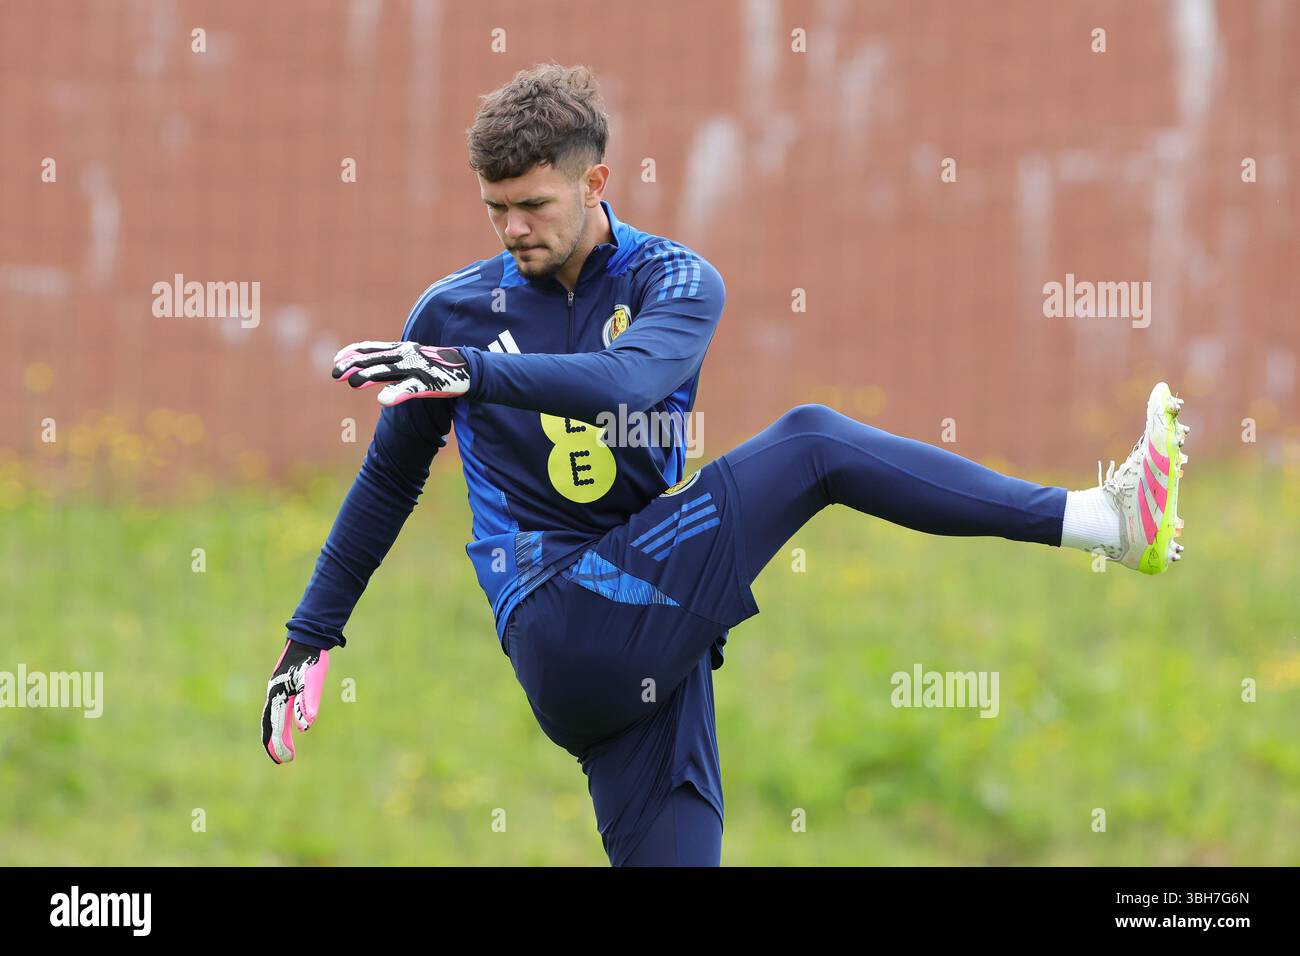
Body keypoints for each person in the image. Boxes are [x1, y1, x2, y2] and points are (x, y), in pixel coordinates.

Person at [261, 63, 1188, 866]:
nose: (512, 229)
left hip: (650, 631)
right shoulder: (449, 316)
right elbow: (390, 478)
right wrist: (311, 635)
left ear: (597, 184)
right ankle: (1104, 522)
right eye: (495, 208)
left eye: (533, 205)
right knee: (813, 443)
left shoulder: (674, 280)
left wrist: (474, 373)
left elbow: (628, 385)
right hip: (560, 619)